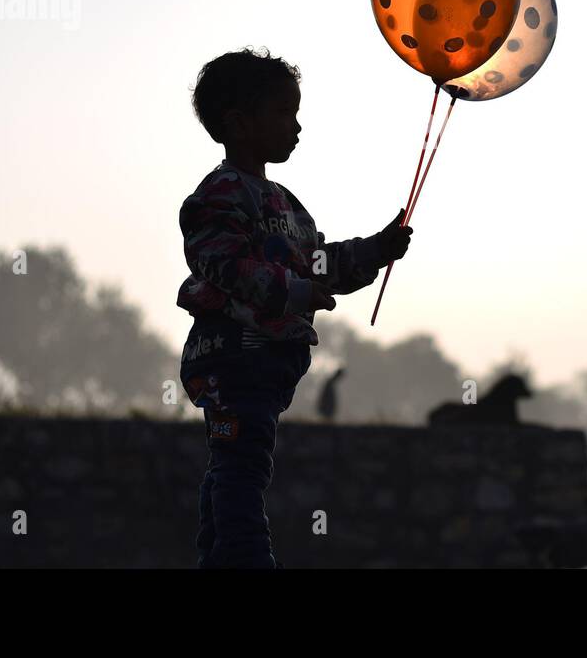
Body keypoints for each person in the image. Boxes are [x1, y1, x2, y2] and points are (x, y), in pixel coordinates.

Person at [176, 47, 413, 568]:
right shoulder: (216, 198)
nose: (297, 125)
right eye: (284, 112)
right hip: (232, 362)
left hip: (267, 367)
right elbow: (227, 266)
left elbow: (319, 263)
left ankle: (217, 560)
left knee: (231, 466)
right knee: (243, 469)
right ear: (239, 123)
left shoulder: (286, 204)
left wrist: (374, 249)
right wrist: (295, 292)